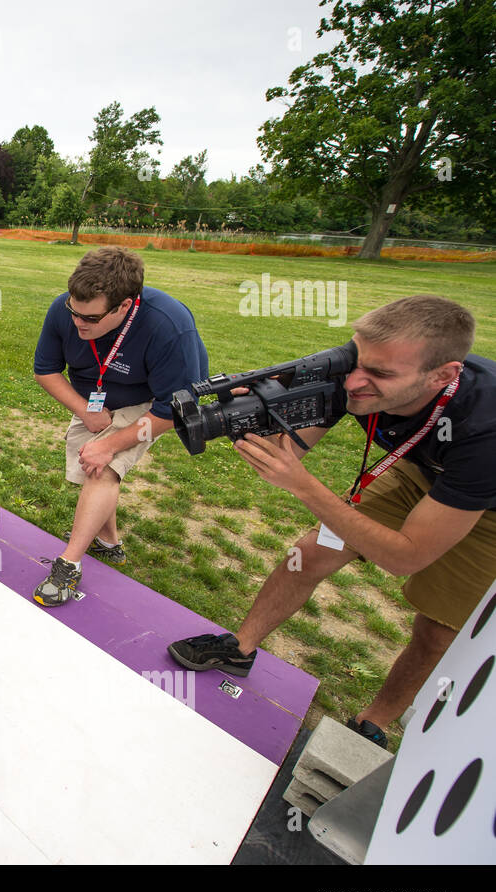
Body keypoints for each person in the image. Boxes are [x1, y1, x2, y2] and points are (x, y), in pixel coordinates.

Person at [168, 296, 495, 747]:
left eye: (380, 374)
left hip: (486, 504)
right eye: (356, 362)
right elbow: (288, 450)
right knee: (308, 555)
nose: (355, 382)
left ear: (442, 376)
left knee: (436, 629)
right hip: (421, 468)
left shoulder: (485, 428)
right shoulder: (357, 371)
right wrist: (260, 412)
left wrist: (304, 486)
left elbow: (404, 557)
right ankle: (239, 648)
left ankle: (372, 722)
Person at [31, 247, 208, 605]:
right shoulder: (64, 309)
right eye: (73, 311)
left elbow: (174, 409)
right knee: (91, 465)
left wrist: (110, 445)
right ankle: (108, 543)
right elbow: (45, 370)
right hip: (96, 400)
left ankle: (69, 565)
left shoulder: (169, 325)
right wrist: (85, 410)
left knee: (103, 466)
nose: (78, 323)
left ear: (124, 306)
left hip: (151, 404)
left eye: (90, 318)